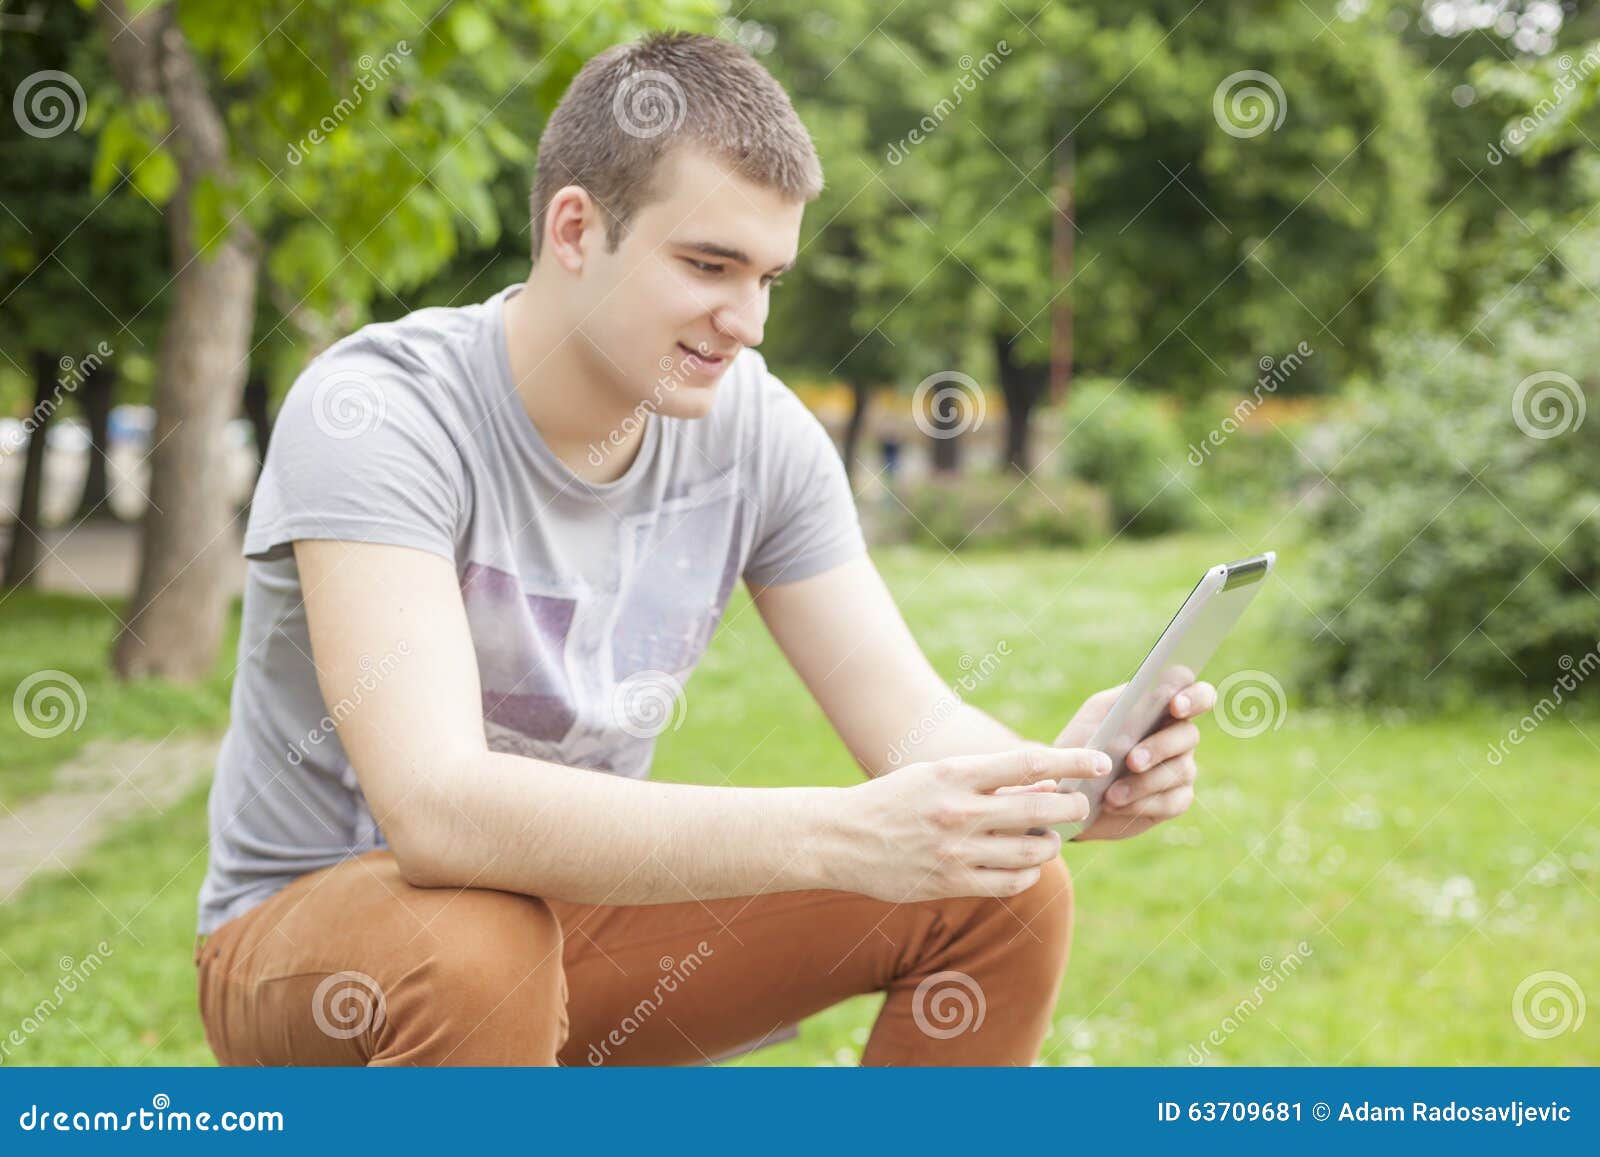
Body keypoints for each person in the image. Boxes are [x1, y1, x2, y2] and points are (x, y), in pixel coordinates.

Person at [193, 30, 1215, 1067]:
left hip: (567, 927)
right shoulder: (382, 411)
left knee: (1004, 891)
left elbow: (913, 720)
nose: (748, 321)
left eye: (768, 275)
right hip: (320, 949)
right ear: (576, 229)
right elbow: (437, 809)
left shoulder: (757, 435)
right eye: (708, 265)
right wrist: (834, 831)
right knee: (473, 939)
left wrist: (1059, 782)